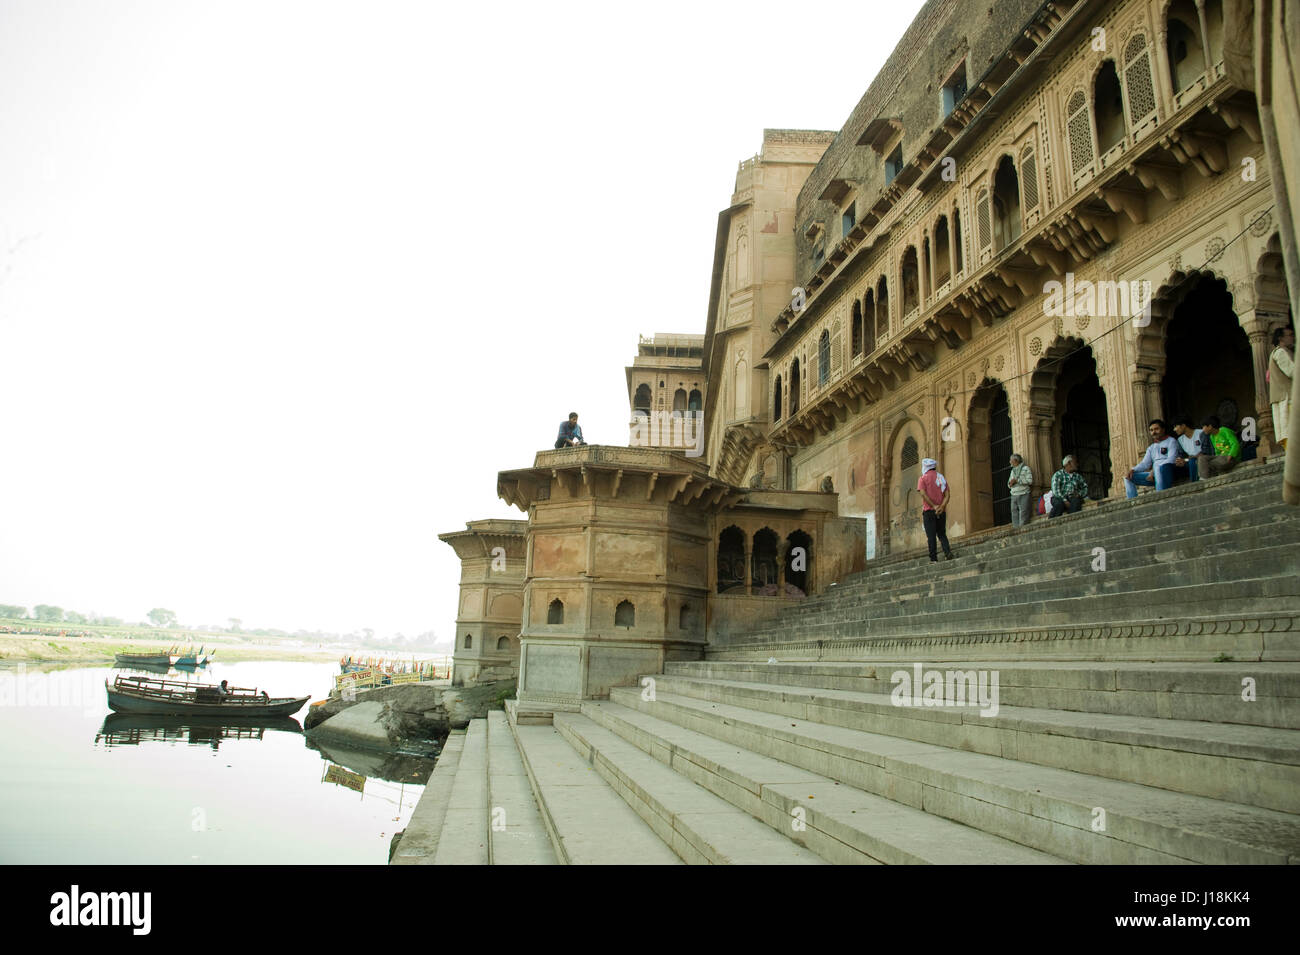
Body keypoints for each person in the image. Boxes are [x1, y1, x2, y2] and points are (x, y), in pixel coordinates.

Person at [1123, 419, 1183, 498]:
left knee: (1158, 467)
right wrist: (1133, 470)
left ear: (1163, 429)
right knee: (1128, 477)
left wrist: (1154, 470)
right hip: (1154, 475)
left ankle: (1160, 498)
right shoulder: (1151, 447)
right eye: (1151, 430)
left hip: (1168, 472)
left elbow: (1171, 459)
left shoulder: (1171, 441)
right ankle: (1132, 502)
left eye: (1156, 429)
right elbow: (1145, 464)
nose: (1153, 432)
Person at [917, 458, 954, 562]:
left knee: (931, 536)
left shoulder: (922, 479)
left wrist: (934, 506)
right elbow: (947, 495)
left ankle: (933, 559)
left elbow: (923, 493)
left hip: (929, 511)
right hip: (942, 511)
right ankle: (947, 553)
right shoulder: (941, 478)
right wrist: (941, 507)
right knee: (942, 534)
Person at [1269, 325, 1294, 450]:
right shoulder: (1280, 352)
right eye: (1290, 335)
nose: (1293, 338)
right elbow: (1292, 371)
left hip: (1286, 398)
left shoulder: (1282, 352)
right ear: (1281, 339)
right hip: (1287, 399)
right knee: (1292, 432)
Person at [1171, 416, 1206, 483]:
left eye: (1176, 426)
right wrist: (1180, 461)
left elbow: (1206, 450)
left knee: (1193, 461)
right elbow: (1182, 456)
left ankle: (1195, 484)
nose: (1174, 429)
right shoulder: (1180, 440)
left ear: (1183, 425)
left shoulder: (1201, 433)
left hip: (1203, 460)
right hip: (1189, 462)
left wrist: (1193, 458)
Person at [1006, 453, 1033, 527]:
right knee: (1014, 512)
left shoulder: (1026, 468)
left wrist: (1018, 481)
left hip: (1024, 493)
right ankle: (1016, 529)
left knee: (1023, 511)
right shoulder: (1012, 471)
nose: (1010, 462)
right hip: (1014, 494)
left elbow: (1030, 481)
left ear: (1016, 460)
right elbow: (1009, 483)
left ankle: (1023, 528)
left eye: (1011, 460)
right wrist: (1010, 484)